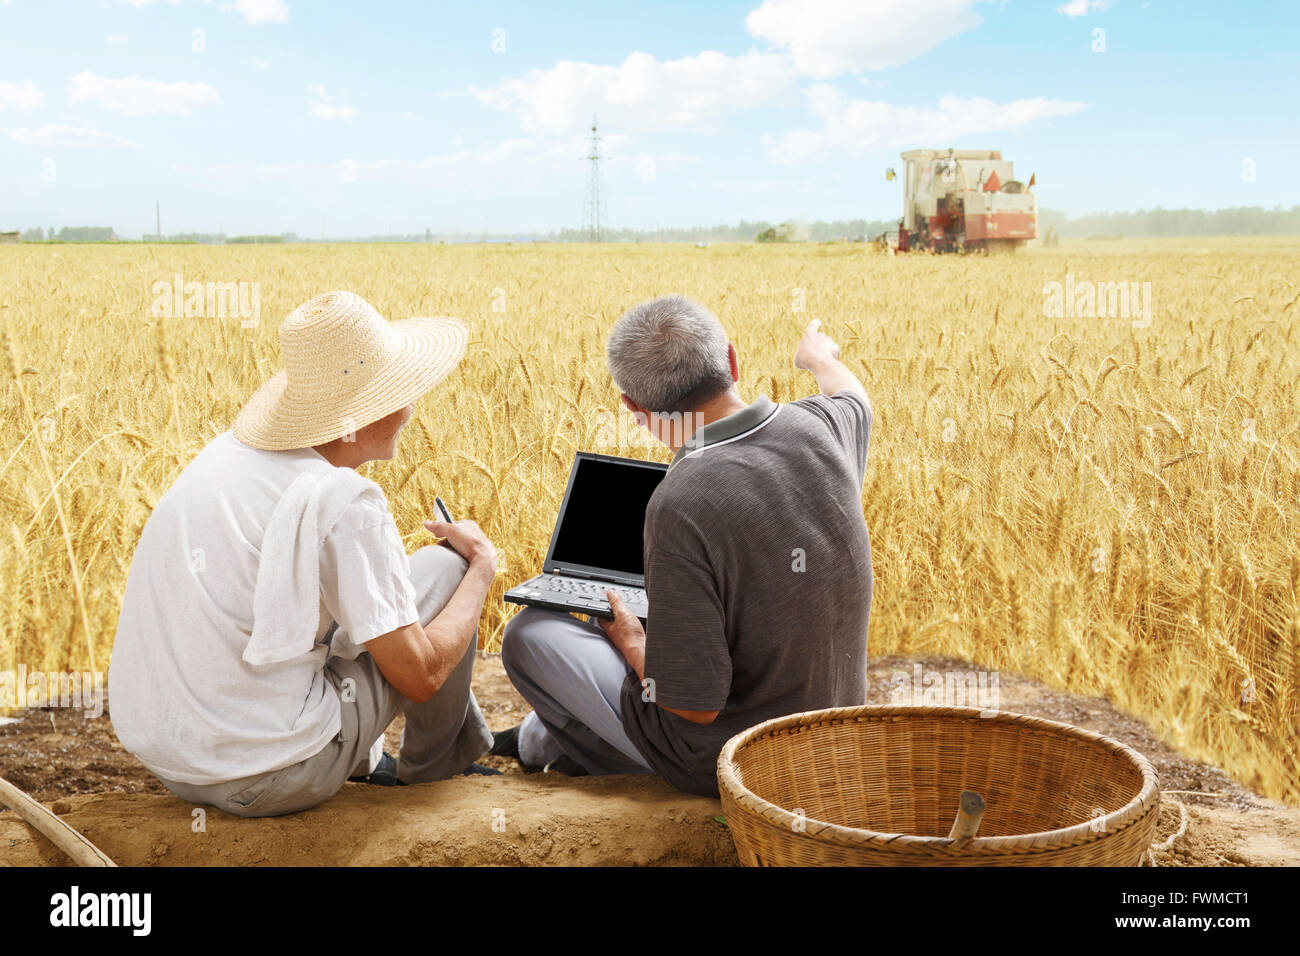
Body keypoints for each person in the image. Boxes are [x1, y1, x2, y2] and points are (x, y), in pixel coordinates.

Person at [108, 290, 498, 818]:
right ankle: (431, 775)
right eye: (398, 392)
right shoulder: (348, 504)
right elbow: (422, 676)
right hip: (274, 776)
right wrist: (482, 567)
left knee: (383, 601)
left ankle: (388, 758)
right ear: (352, 422)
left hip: (179, 764)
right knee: (449, 571)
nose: (411, 408)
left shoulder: (223, 458)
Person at [496, 294, 874, 797]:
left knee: (531, 633)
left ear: (634, 409)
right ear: (732, 361)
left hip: (742, 760)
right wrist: (818, 358)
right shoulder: (822, 426)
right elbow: (852, 396)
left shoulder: (680, 501)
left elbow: (694, 705)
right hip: (836, 733)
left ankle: (574, 753)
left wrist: (631, 639)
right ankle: (538, 741)